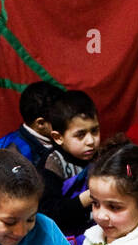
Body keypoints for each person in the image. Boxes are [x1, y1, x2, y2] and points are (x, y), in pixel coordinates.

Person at [39, 90, 100, 236]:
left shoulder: (102, 157)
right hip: (65, 240)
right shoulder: (53, 164)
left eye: (95, 131)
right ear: (58, 137)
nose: (91, 141)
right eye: (81, 135)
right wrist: (89, 196)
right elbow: (49, 213)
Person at [0, 81, 64, 166]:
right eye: (59, 118)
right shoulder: (7, 154)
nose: (65, 122)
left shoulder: (59, 141)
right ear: (41, 123)